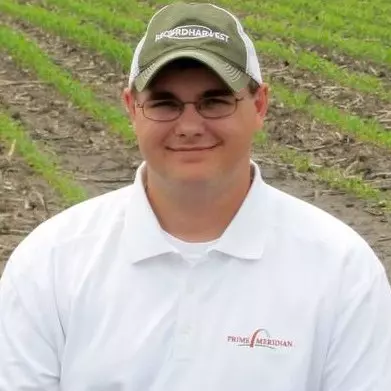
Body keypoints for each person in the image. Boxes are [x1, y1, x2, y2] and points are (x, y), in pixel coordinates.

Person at [0, 2, 390, 390]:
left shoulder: (341, 269)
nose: (189, 125)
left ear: (259, 105)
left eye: (215, 101)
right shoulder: (51, 263)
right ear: (132, 109)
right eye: (164, 103)